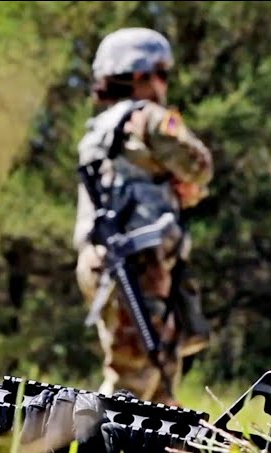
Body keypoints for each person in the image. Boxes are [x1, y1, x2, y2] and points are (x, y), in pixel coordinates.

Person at [72, 27, 214, 406]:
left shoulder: (98, 131)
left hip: (101, 261)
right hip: (139, 262)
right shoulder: (150, 118)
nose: (164, 84)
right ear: (139, 76)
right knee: (133, 378)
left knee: (161, 379)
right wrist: (187, 183)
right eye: (161, 73)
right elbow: (199, 165)